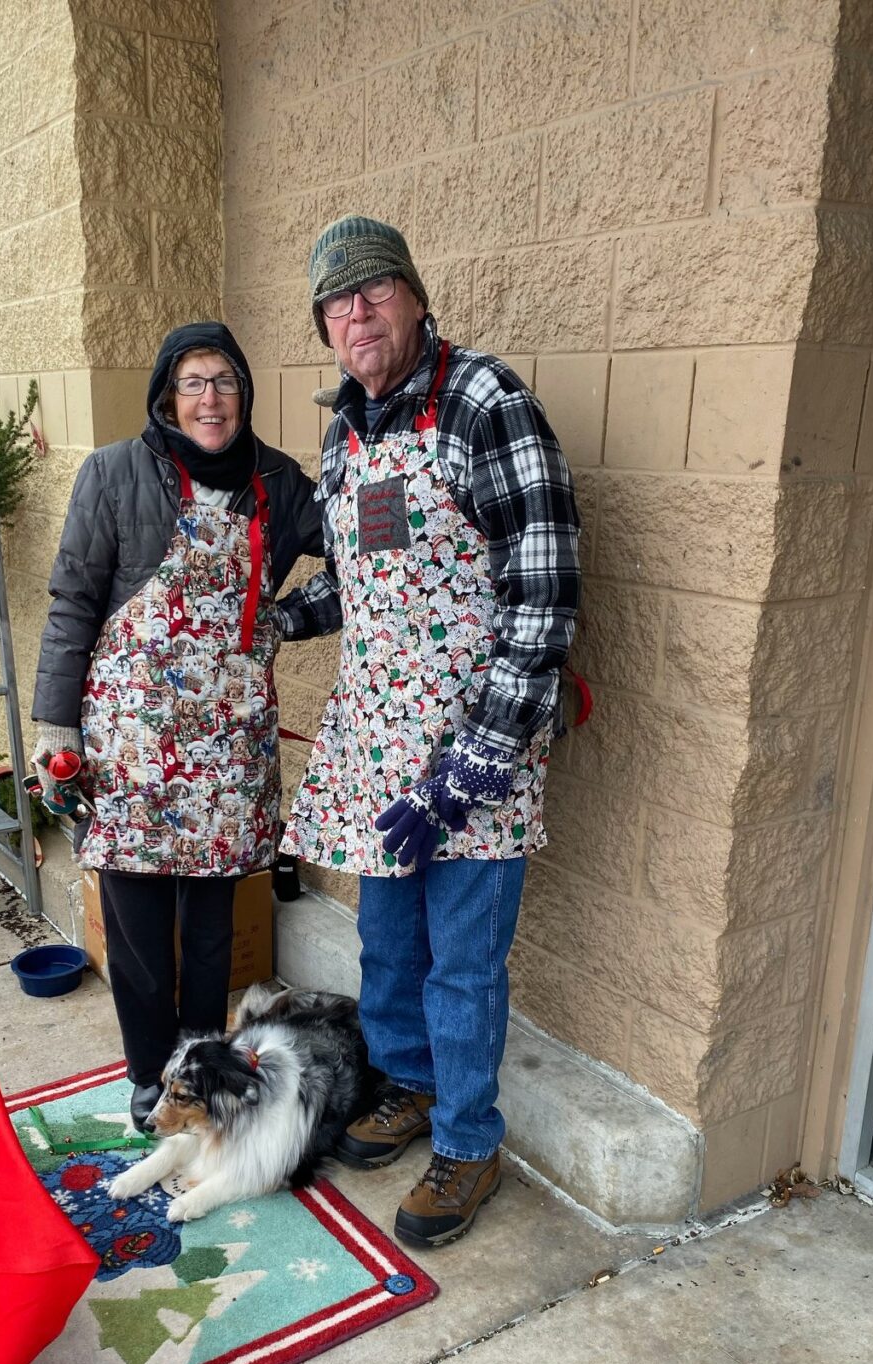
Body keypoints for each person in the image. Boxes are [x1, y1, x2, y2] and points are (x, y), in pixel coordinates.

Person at [278, 217, 581, 1247]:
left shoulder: (484, 404)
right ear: (325, 327)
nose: (356, 312)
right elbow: (366, 587)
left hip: (472, 753)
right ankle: (405, 1084)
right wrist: (280, 619)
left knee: (462, 961)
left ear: (413, 296)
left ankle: (467, 1140)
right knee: (385, 938)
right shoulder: (349, 431)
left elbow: (543, 592)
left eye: (373, 290)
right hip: (377, 743)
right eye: (336, 301)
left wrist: (477, 766)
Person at [32, 322, 322, 1129]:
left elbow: (363, 553)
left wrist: (288, 617)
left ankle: (200, 1071)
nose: (210, 398)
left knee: (209, 930)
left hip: (227, 748)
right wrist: (56, 722)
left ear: (245, 392)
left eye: (224, 379)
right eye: (192, 381)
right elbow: (73, 601)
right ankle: (146, 1071)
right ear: (166, 394)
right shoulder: (113, 473)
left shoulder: (277, 481)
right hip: (132, 744)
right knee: (136, 927)